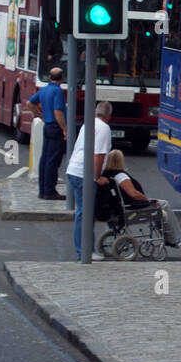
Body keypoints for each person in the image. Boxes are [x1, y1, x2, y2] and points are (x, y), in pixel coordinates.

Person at [100, 149, 181, 248]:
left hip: (120, 206)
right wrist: (148, 200)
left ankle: (170, 237)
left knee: (158, 208)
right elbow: (133, 193)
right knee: (163, 204)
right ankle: (176, 237)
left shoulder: (106, 175)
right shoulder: (120, 175)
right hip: (132, 207)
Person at [66, 101, 113, 262]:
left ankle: (86, 249)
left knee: (83, 212)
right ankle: (84, 251)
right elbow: (98, 154)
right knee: (85, 213)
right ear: (109, 115)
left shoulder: (89, 123)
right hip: (83, 174)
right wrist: (97, 176)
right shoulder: (104, 128)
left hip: (74, 170)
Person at [28, 67, 68, 200]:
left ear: (50, 77)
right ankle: (50, 191)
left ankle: (43, 190)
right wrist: (65, 129)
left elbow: (30, 103)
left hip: (47, 126)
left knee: (44, 159)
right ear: (62, 77)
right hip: (56, 127)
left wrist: (41, 116)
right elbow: (58, 112)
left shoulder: (44, 90)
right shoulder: (57, 91)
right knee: (53, 161)